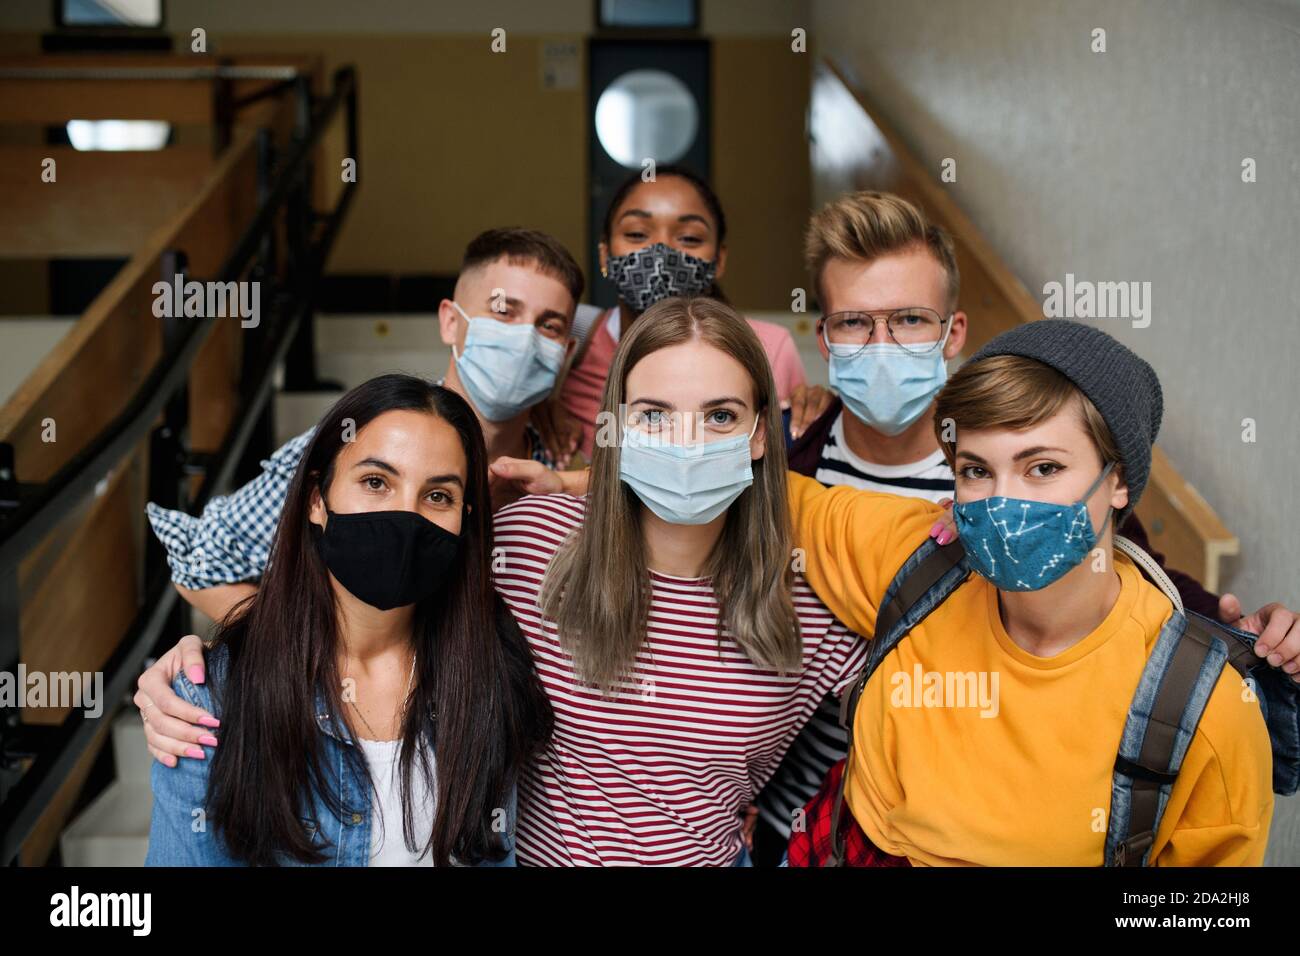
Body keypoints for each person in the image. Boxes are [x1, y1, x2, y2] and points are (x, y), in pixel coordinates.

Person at [139, 296, 866, 866]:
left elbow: (849, 753)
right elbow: (382, 595)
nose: (685, 442)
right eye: (653, 415)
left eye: (720, 415)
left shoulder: (818, 608)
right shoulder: (527, 542)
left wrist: (762, 825)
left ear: (761, 434)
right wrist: (212, 657)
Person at [751, 191, 1300, 865]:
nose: (1004, 502)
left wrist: (1266, 647)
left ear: (1119, 480)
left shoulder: (1200, 700)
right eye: (976, 470)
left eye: (1042, 468)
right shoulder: (914, 553)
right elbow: (748, 488)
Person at [144, 375, 552, 866]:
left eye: (438, 496)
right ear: (317, 499)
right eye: (376, 482)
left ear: (464, 519)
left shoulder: (491, 676)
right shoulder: (210, 698)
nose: (406, 515)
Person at [145, 226, 585, 628]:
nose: (525, 340)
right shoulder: (362, 440)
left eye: (548, 325)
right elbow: (203, 560)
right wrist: (309, 653)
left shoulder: (565, 468)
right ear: (451, 321)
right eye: (504, 311)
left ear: (564, 352)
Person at [558, 166, 806, 458]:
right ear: (605, 254)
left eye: (689, 238)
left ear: (719, 259)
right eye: (637, 233)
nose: (661, 252)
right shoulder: (570, 339)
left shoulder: (768, 347)